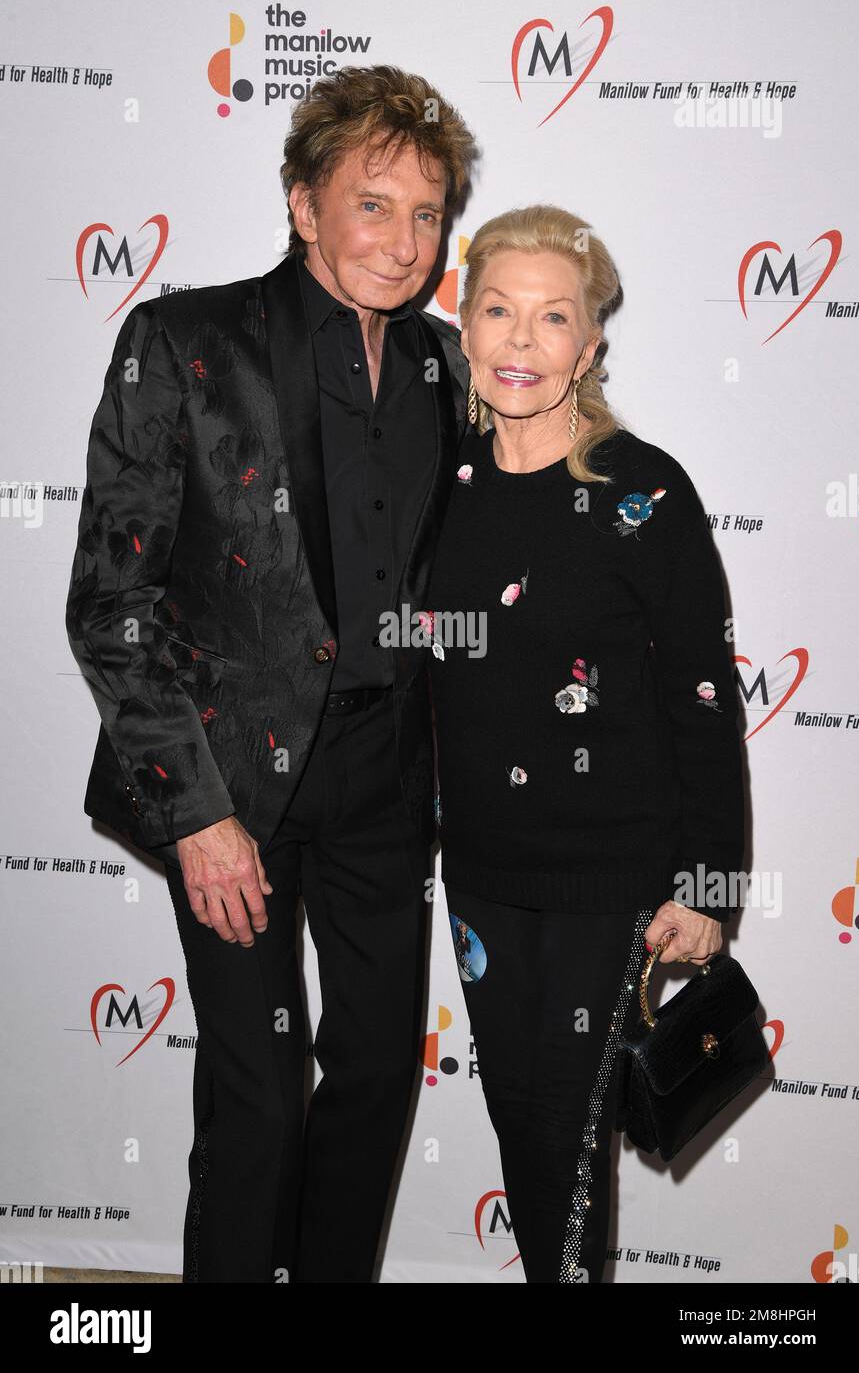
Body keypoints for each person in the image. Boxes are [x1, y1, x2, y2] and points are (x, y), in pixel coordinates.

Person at [65, 64, 478, 1283]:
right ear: (302, 205)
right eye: (372, 205)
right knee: (255, 1097)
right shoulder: (183, 343)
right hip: (230, 780)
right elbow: (110, 605)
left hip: (386, 784)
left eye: (426, 213)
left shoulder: (449, 368)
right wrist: (197, 819)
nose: (404, 244)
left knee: (369, 1077)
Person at [427, 205, 746, 1283]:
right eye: (498, 312)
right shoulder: (435, 489)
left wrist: (706, 884)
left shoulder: (644, 492)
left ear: (589, 345)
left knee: (565, 1141)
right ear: (460, 326)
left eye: (550, 318)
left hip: (608, 880)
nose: (520, 342)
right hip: (477, 875)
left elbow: (702, 697)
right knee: (523, 1130)